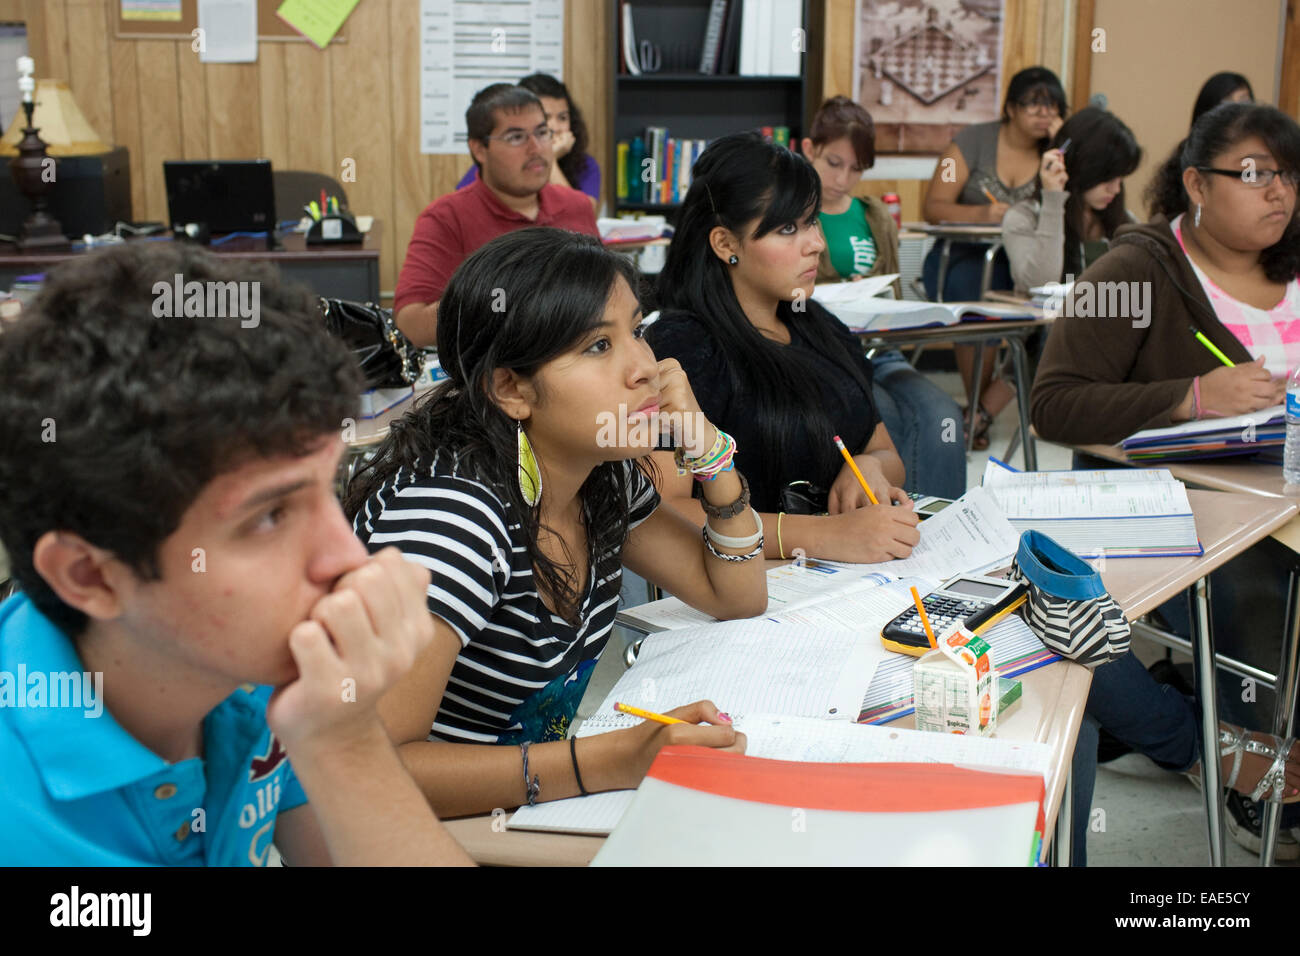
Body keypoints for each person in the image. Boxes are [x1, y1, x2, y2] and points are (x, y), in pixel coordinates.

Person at [0, 242, 472, 866]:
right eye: (269, 515)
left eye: (327, 489)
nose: (349, 557)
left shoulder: (239, 663)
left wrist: (346, 734)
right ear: (90, 575)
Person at [345, 227, 766, 818]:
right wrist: (608, 761)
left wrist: (708, 450)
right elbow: (371, 772)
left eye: (637, 331)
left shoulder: (599, 472)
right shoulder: (451, 518)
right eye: (598, 346)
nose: (647, 367)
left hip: (525, 812)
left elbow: (736, 594)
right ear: (511, 388)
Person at [1030, 102, 1300, 862]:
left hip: (1289, 487)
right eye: (1253, 174)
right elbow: (1054, 402)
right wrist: (1191, 395)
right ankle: (1254, 779)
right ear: (1196, 185)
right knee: (1265, 580)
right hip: (1200, 512)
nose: (1277, 191)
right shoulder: (1137, 271)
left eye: (1286, 174)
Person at [645, 131, 922, 563]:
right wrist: (825, 536)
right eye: (788, 228)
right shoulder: (683, 349)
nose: (816, 243)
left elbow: (886, 451)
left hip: (847, 577)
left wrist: (867, 466)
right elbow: (666, 510)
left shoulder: (818, 325)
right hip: (753, 591)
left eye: (811, 221)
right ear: (725, 244)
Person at [803, 96, 966, 499]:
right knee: (887, 417)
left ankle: (945, 530)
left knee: (943, 413)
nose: (842, 179)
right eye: (833, 163)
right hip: (824, 354)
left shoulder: (874, 215)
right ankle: (895, 528)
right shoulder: (792, 216)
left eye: (856, 168)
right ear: (809, 150)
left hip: (879, 352)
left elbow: (891, 293)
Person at [923, 66, 1068, 449]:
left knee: (1052, 306)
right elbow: (935, 206)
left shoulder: (1057, 153)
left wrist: (1065, 145)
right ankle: (976, 407)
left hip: (1026, 260)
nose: (1043, 114)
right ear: (1010, 108)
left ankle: (978, 413)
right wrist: (985, 215)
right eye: (1034, 104)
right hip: (965, 255)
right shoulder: (971, 142)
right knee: (972, 287)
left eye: (1053, 107)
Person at [393, 83, 599, 348]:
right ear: (479, 149)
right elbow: (409, 325)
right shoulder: (445, 217)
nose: (535, 148)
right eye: (516, 137)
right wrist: (496, 297)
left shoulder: (577, 205)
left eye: (542, 132)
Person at [1002, 107, 1142, 293]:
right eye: (1108, 178)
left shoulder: (1125, 221)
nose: (1115, 189)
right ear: (1081, 166)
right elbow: (1040, 286)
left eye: (1120, 179)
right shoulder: (1024, 217)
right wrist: (1053, 198)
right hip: (1050, 321)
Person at [457, 73, 601, 212]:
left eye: (563, 118)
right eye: (546, 118)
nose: (556, 128)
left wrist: (551, 161)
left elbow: (583, 217)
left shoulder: (586, 165)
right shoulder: (496, 165)